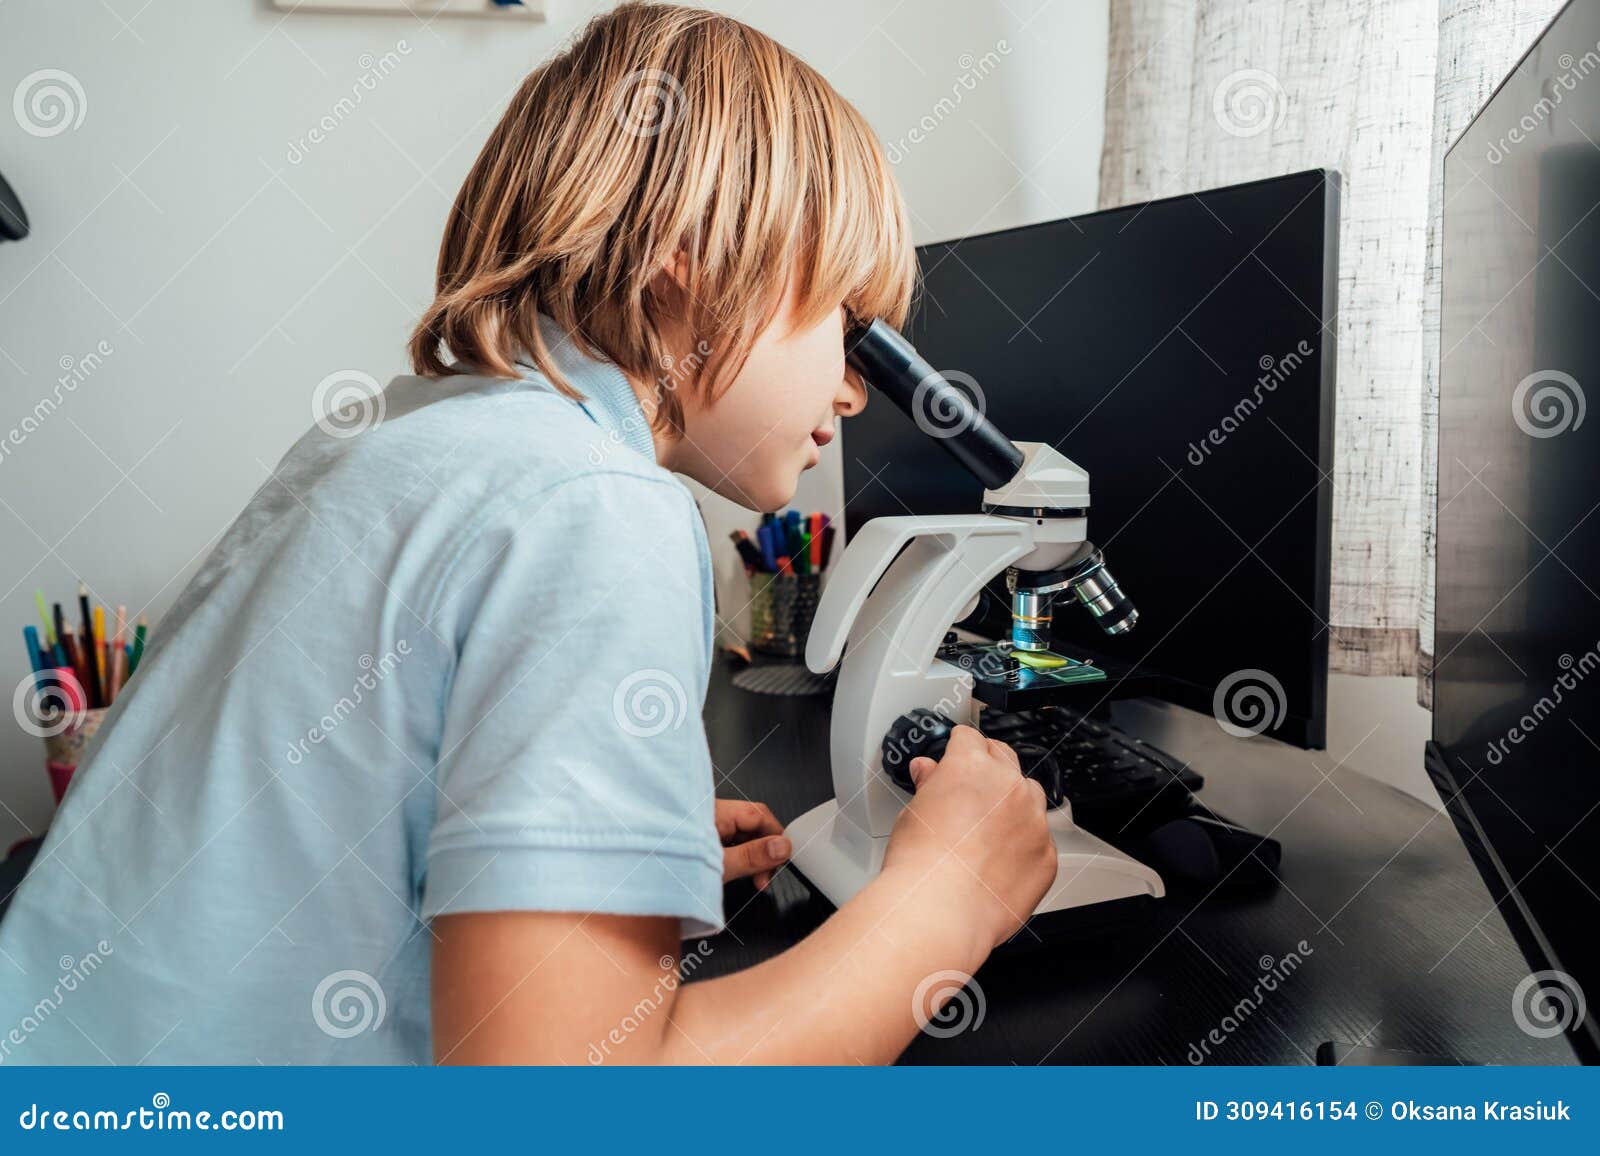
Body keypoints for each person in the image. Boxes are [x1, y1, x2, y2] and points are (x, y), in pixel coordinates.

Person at [0, 2, 1055, 1066]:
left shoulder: (402, 433)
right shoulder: (593, 507)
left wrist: (585, 863)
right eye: (846, 321)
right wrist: (947, 898)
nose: (853, 391)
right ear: (688, 251)